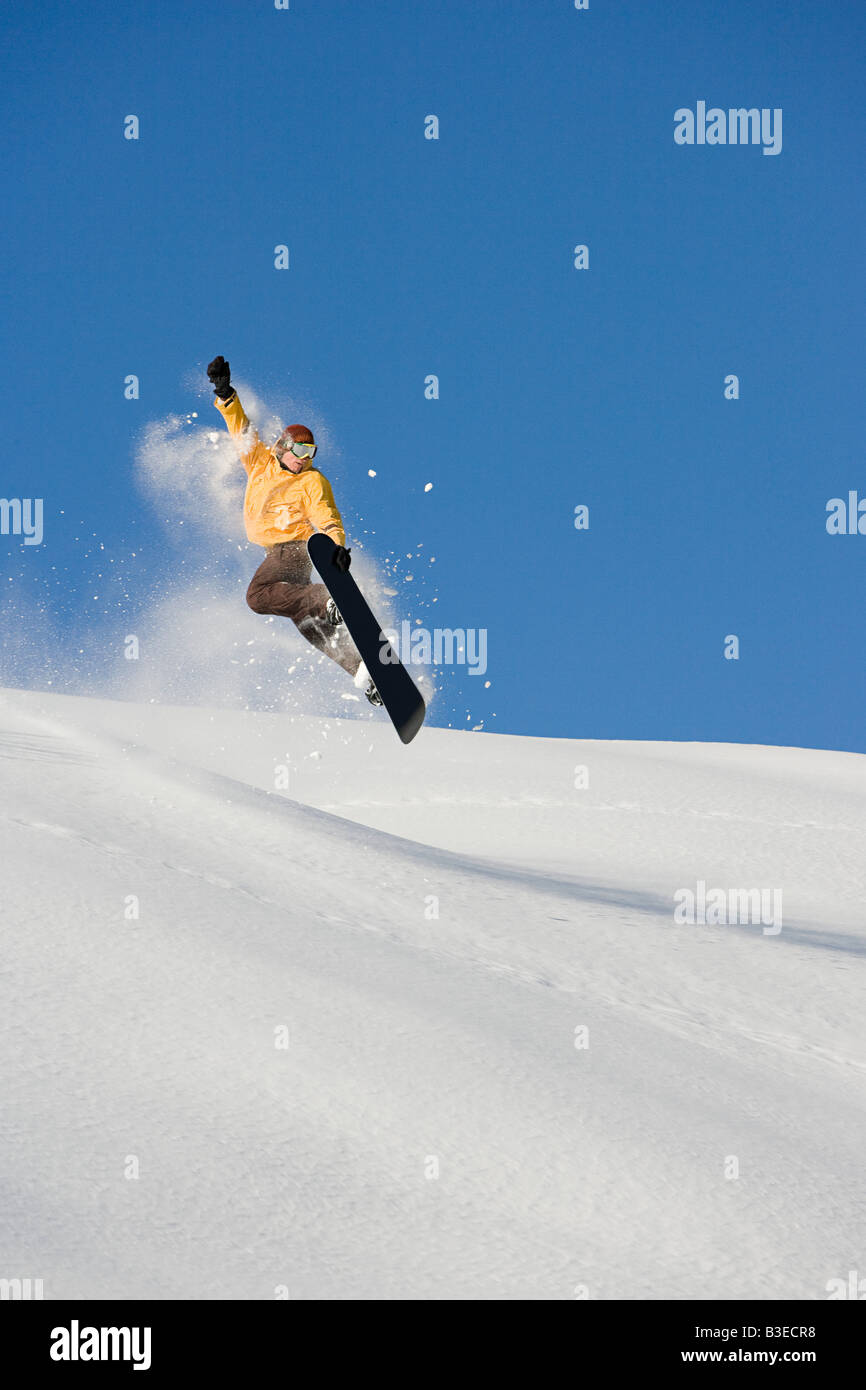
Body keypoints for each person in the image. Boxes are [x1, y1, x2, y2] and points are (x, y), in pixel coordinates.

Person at [206, 356, 381, 705]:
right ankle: (364, 671)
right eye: (300, 450)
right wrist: (225, 393)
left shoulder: (312, 481)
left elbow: (327, 515)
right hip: (281, 556)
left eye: (311, 452)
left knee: (257, 597)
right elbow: (240, 429)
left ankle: (326, 598)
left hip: (293, 550)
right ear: (284, 447)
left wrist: (337, 548)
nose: (305, 458)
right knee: (308, 624)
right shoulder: (259, 463)